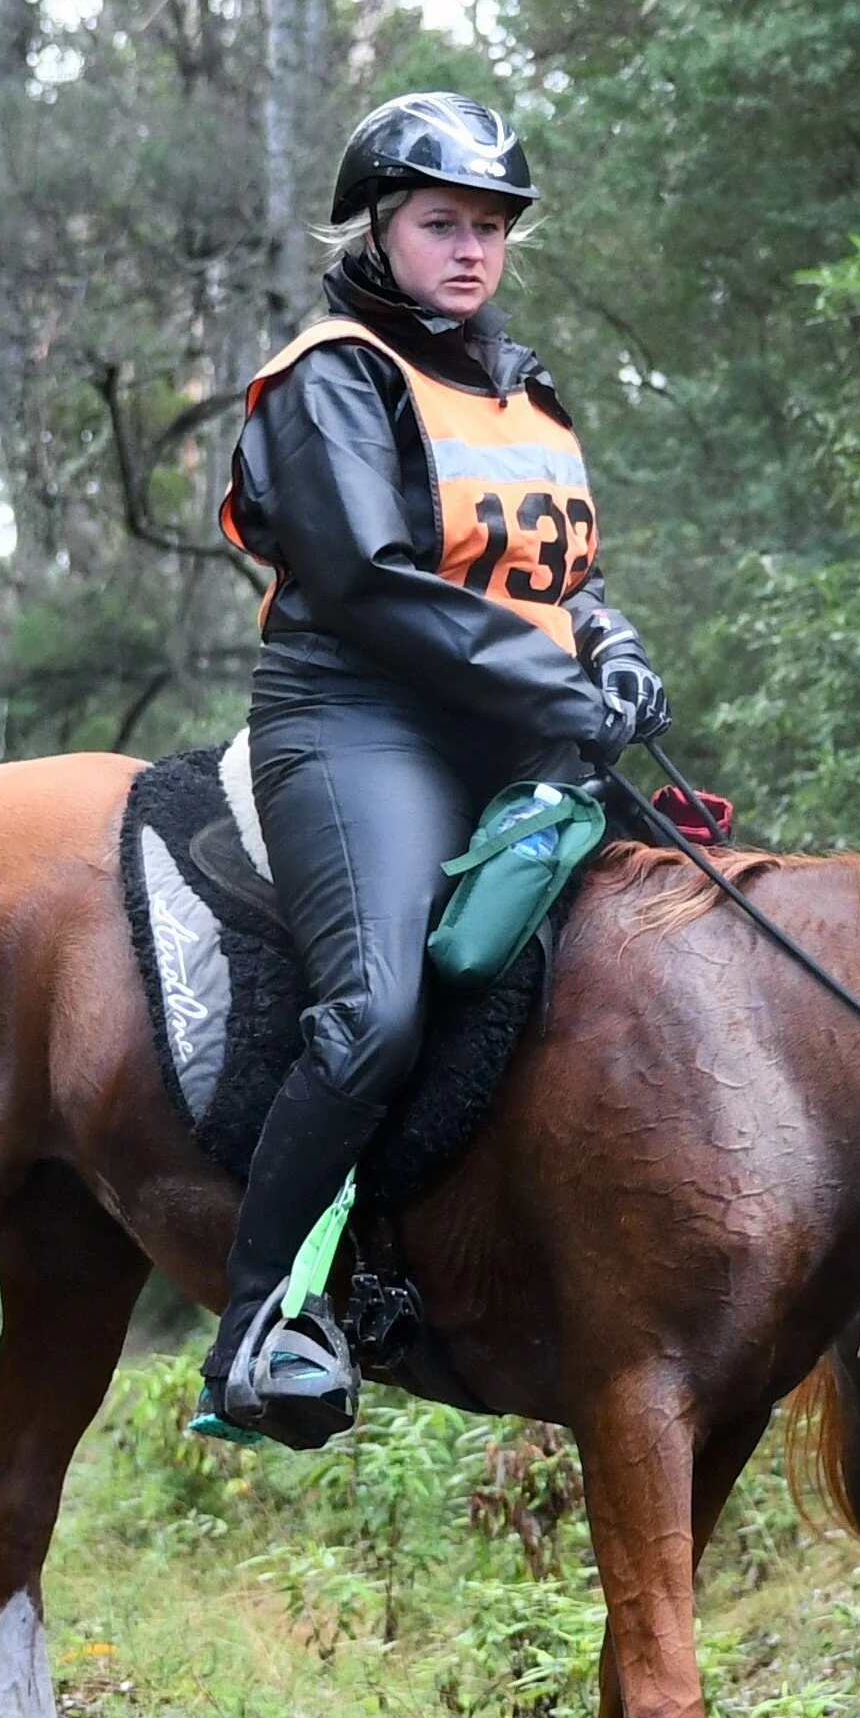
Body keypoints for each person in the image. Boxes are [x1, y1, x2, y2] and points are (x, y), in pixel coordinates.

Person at [202, 91, 668, 1446]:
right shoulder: (330, 378)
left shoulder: (522, 387)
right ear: (378, 229)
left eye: (489, 229)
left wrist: (614, 653)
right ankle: (258, 1327)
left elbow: (564, 577)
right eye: (440, 224)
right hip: (359, 717)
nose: (470, 250)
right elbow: (369, 583)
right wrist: (562, 688)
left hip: (511, 719)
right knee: (377, 1012)